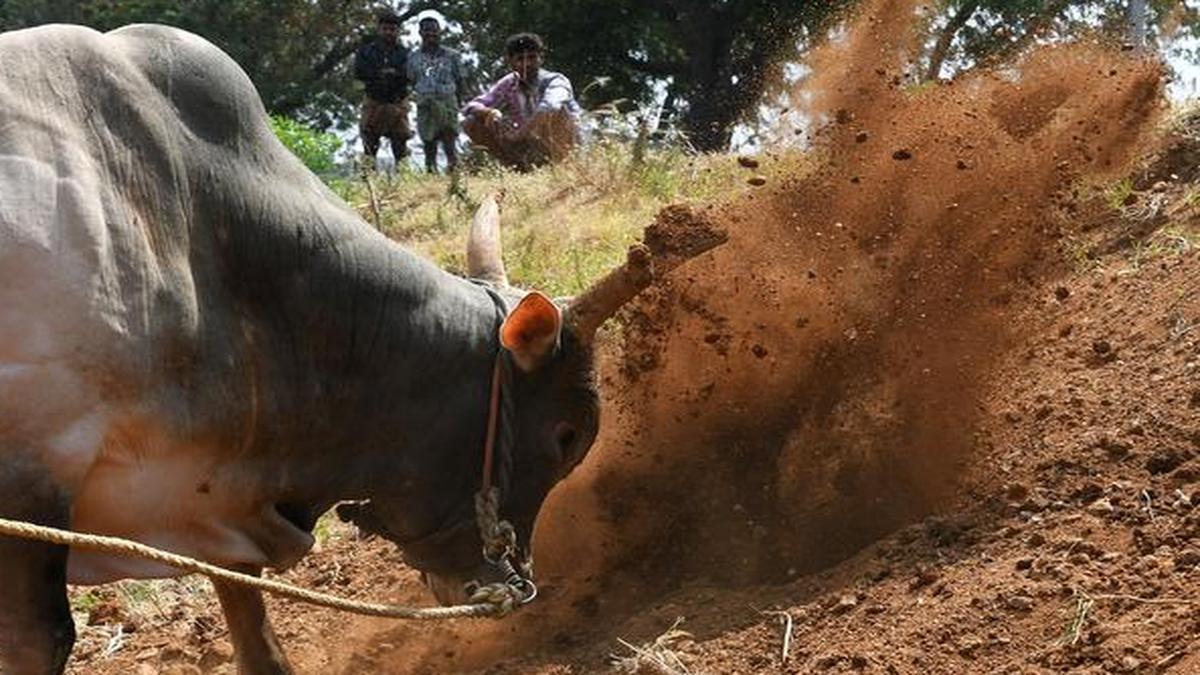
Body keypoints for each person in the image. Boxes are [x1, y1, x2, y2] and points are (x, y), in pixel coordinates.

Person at [462, 32, 581, 170]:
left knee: (558, 112)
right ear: (510, 62)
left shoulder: (555, 80)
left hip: (561, 145)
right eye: (520, 59)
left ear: (540, 58)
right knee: (471, 122)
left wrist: (520, 134)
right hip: (528, 144)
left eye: (532, 58)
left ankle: (562, 165)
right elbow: (471, 106)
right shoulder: (509, 83)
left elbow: (549, 107)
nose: (527, 64)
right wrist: (489, 112)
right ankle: (516, 167)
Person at [406, 15, 465, 173]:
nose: (430, 34)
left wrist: (458, 103)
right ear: (420, 32)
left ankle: (454, 176)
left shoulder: (452, 55)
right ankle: (431, 176)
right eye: (426, 30)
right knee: (428, 143)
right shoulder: (413, 57)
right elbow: (411, 80)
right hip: (425, 103)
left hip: (447, 102)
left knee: (449, 141)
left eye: (434, 30)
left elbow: (460, 80)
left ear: (440, 32)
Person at [353, 11, 410, 169]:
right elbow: (359, 72)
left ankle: (405, 180)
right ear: (379, 29)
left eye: (392, 29)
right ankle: (369, 180)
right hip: (373, 101)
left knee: (400, 144)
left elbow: (410, 75)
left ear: (398, 31)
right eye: (385, 29)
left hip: (397, 102)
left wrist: (394, 74)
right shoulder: (366, 51)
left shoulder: (405, 53)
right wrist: (380, 74)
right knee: (369, 143)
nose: (388, 32)